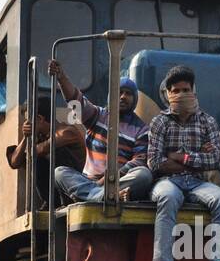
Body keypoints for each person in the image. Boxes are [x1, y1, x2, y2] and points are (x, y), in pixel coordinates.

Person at [146, 65, 220, 261]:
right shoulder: (159, 122)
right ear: (168, 95)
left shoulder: (207, 121)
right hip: (167, 182)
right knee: (168, 198)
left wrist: (181, 157)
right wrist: (196, 161)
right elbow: (155, 163)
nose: (181, 94)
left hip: (197, 183)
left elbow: (214, 159)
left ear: (194, 91)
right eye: (176, 90)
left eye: (186, 89)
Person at [48, 59, 153, 204]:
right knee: (59, 173)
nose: (123, 96)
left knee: (144, 175)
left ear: (134, 99)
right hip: (89, 180)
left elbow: (139, 160)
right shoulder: (97, 115)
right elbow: (75, 101)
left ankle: (95, 195)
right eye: (120, 92)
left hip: (118, 181)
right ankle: (102, 196)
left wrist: (109, 179)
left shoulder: (142, 129)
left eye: (128, 94)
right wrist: (61, 77)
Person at [7, 94, 85, 206]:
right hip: (56, 194)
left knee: (50, 153)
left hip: (75, 189)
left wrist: (31, 146)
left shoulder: (66, 132)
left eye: (28, 122)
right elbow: (15, 162)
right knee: (36, 161)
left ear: (39, 119)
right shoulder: (41, 137)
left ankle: (65, 200)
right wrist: (25, 137)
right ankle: (51, 202)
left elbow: (41, 149)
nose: (27, 125)